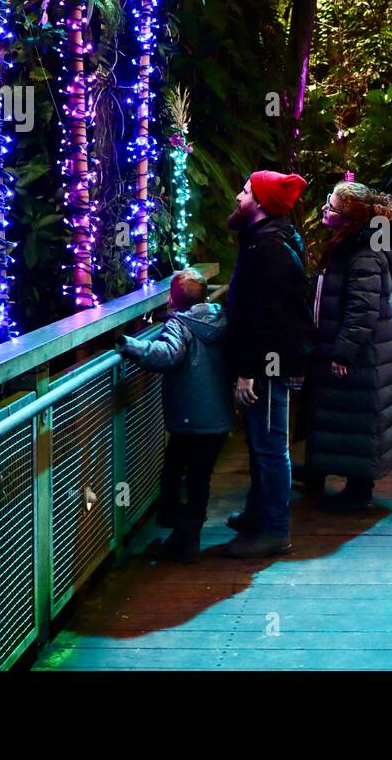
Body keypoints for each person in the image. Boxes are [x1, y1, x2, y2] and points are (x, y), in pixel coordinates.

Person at [222, 170, 315, 558]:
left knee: (272, 446)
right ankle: (257, 515)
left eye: (245, 192)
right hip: (269, 361)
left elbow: (266, 317)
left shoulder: (270, 249)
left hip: (269, 367)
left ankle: (276, 530)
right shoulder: (264, 240)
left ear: (260, 204)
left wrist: (248, 371)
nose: (239, 197)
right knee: (262, 443)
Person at [117, 268, 230, 564]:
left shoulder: (179, 325)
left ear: (171, 299)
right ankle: (187, 537)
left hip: (188, 420)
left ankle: (182, 533)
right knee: (199, 478)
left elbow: (167, 354)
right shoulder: (221, 319)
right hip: (216, 417)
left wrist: (130, 345)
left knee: (173, 473)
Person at [299, 181, 392, 512]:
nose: (325, 210)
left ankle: (359, 490)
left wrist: (344, 351)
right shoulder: (347, 243)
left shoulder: (365, 253)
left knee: (357, 419)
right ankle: (319, 473)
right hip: (341, 347)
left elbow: (362, 308)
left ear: (351, 217)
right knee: (334, 414)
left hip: (359, 355)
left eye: (333, 206)